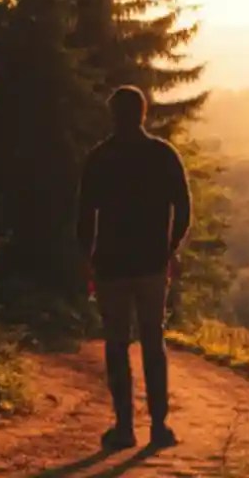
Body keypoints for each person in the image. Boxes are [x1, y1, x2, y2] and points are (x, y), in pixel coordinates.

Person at [76, 85, 192, 451]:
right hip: (152, 264)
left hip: (111, 265)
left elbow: (85, 215)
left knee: (117, 344)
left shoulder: (99, 158)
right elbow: (183, 208)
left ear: (114, 115)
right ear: (143, 113)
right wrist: (171, 248)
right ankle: (159, 427)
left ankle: (124, 427)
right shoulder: (163, 155)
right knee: (153, 342)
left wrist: (86, 259)